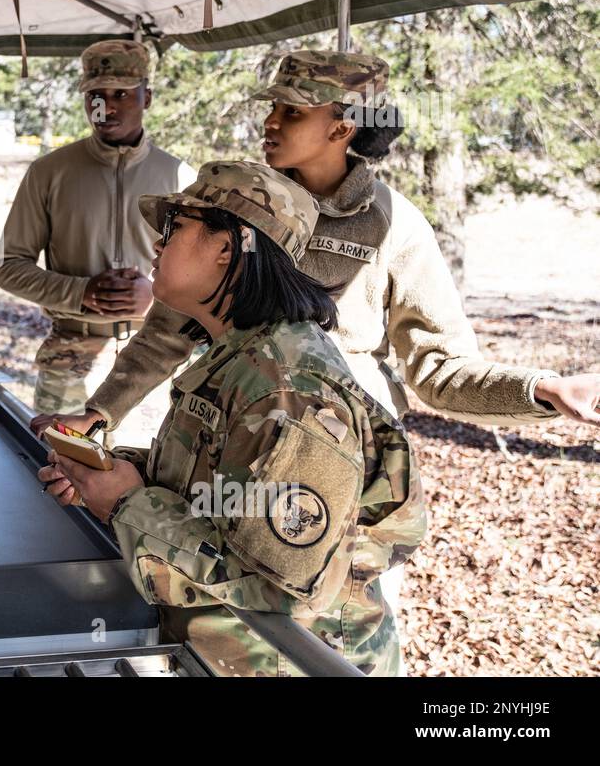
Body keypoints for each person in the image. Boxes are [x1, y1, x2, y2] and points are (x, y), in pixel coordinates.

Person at [37, 49, 600, 440]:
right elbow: (165, 332)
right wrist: (98, 414)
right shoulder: (236, 205)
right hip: (235, 438)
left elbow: (439, 370)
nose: (271, 122)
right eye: (272, 107)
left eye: (293, 111)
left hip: (345, 454)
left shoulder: (393, 227)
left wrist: (540, 389)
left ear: (342, 128)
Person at [38, 161, 426, 676]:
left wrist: (127, 504)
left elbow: (276, 587)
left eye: (176, 228)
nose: (157, 244)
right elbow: (221, 492)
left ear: (229, 246)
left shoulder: (290, 390)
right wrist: (107, 473)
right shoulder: (241, 356)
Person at [0, 39, 195, 423]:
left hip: (155, 355)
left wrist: (154, 296)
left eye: (122, 93)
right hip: (68, 356)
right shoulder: (49, 172)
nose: (107, 105)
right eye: (96, 95)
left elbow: (209, 277)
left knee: (144, 475)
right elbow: (8, 266)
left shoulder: (180, 177)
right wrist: (81, 292)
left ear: (147, 96)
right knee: (59, 472)